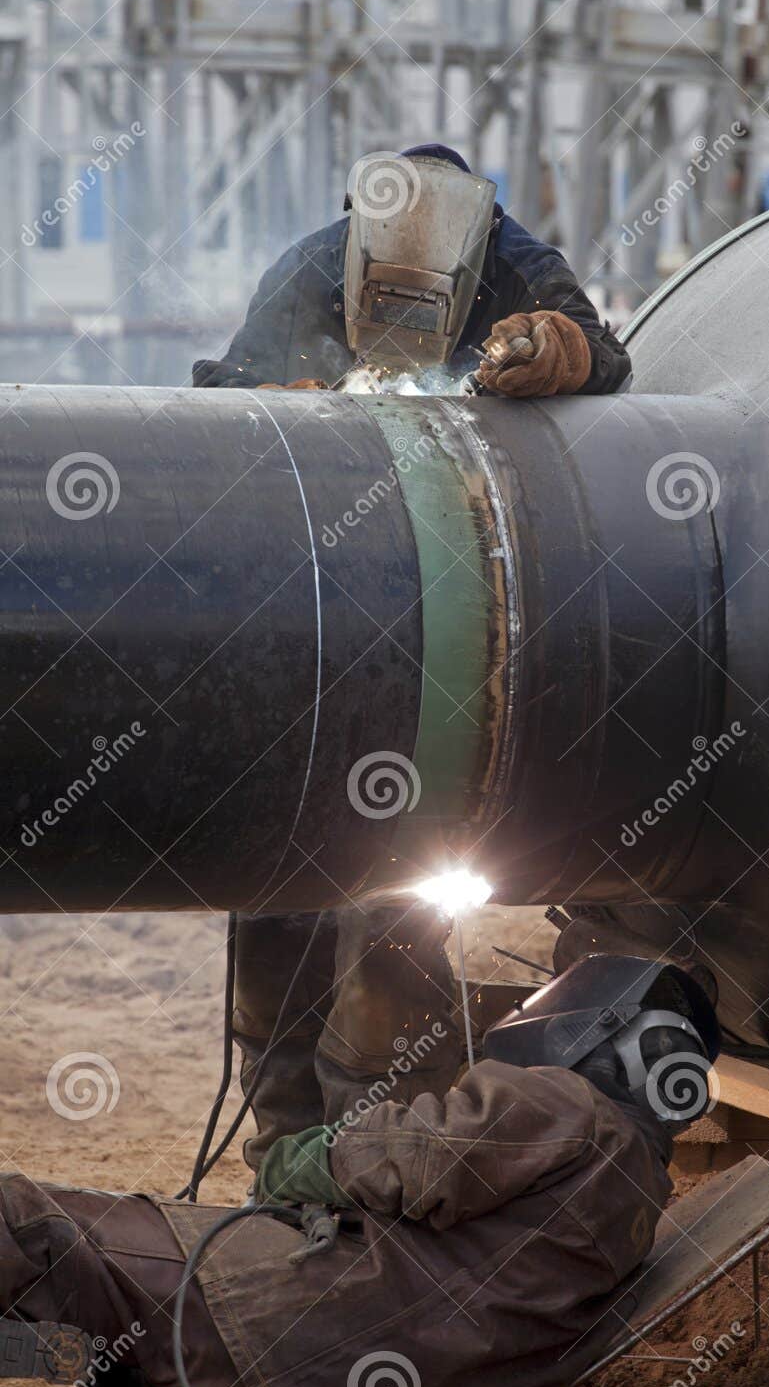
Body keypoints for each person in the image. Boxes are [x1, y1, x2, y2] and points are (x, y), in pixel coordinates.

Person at [192, 145, 633, 1170]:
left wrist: (562, 352)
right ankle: (285, 1153)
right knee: (276, 892)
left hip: (442, 621)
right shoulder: (312, 269)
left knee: (393, 898)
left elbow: (608, 372)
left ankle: (380, 1152)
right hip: (310, 614)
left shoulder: (518, 268)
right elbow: (221, 418)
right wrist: (283, 407)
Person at [0, 958, 718, 1387]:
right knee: (97, 1313)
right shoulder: (638, 1202)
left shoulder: (573, 1109)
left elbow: (417, 1156)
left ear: (614, 1041)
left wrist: (308, 1159)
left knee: (27, 1222)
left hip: (265, 1321)